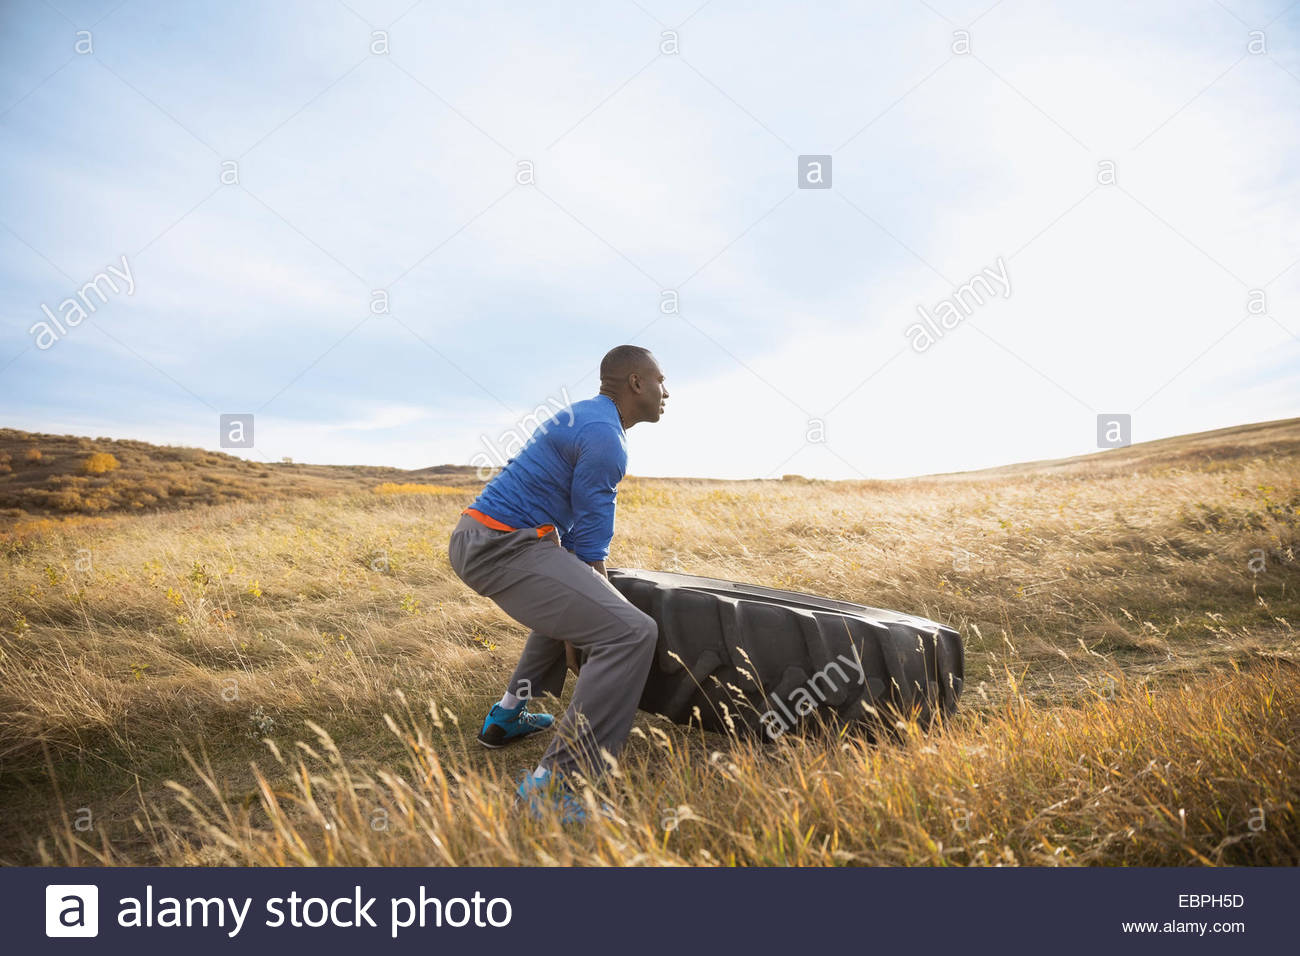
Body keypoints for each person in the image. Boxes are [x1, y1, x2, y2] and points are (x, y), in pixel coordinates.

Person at [447, 345, 669, 823]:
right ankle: (559, 787)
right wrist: (597, 616)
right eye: (659, 380)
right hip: (502, 544)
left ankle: (509, 716)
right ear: (634, 383)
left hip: (487, 537)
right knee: (630, 632)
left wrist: (586, 610)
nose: (665, 392)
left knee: (584, 607)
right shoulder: (606, 437)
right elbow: (591, 543)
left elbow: (576, 549)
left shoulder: (587, 416)